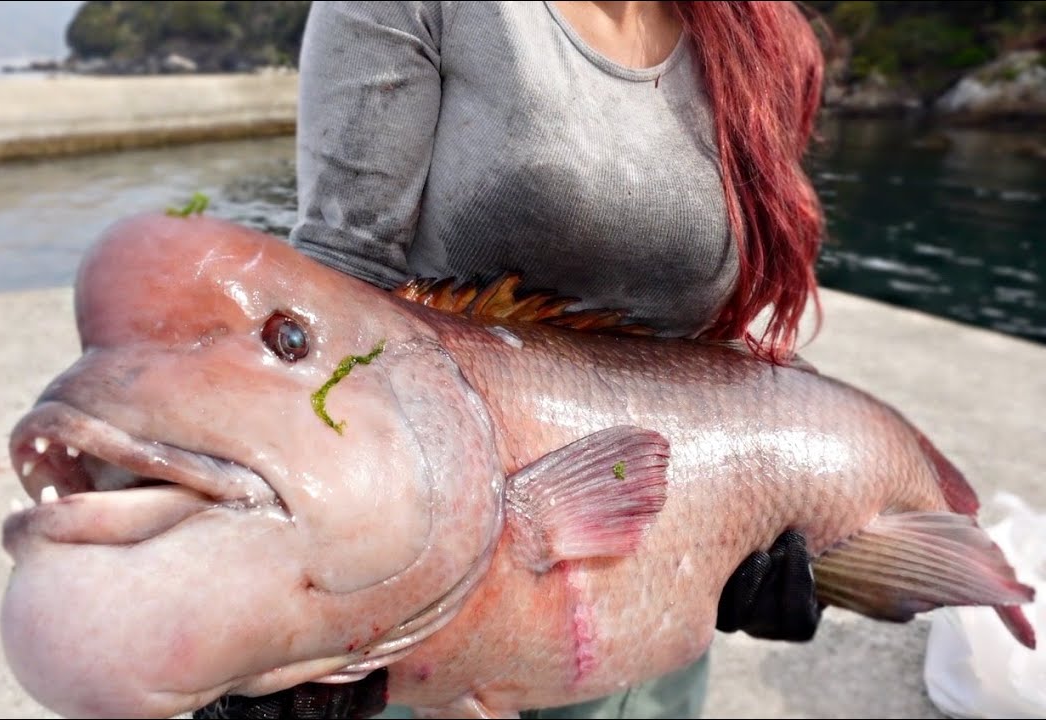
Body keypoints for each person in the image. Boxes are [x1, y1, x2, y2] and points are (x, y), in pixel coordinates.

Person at [273, 1, 828, 718]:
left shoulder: (760, 30)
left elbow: (718, 329)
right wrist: (288, 590)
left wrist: (765, 517)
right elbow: (339, 283)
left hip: (655, 586)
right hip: (443, 575)